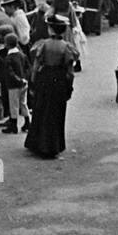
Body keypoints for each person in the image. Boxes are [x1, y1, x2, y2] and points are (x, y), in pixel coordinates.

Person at [24, 14, 79, 159]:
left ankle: (37, 143)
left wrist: (33, 83)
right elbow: (70, 72)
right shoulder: (67, 47)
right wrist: (69, 87)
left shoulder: (43, 44)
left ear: (50, 29)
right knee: (56, 112)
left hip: (45, 78)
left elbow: (36, 66)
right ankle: (53, 145)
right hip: (59, 79)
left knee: (41, 110)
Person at [0, 32, 29, 134]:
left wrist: (18, 80)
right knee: (23, 103)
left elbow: (10, 73)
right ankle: (27, 122)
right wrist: (24, 79)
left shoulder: (8, 58)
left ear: (6, 44)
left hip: (13, 85)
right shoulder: (22, 55)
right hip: (24, 83)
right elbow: (28, 68)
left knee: (14, 106)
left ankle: (13, 126)